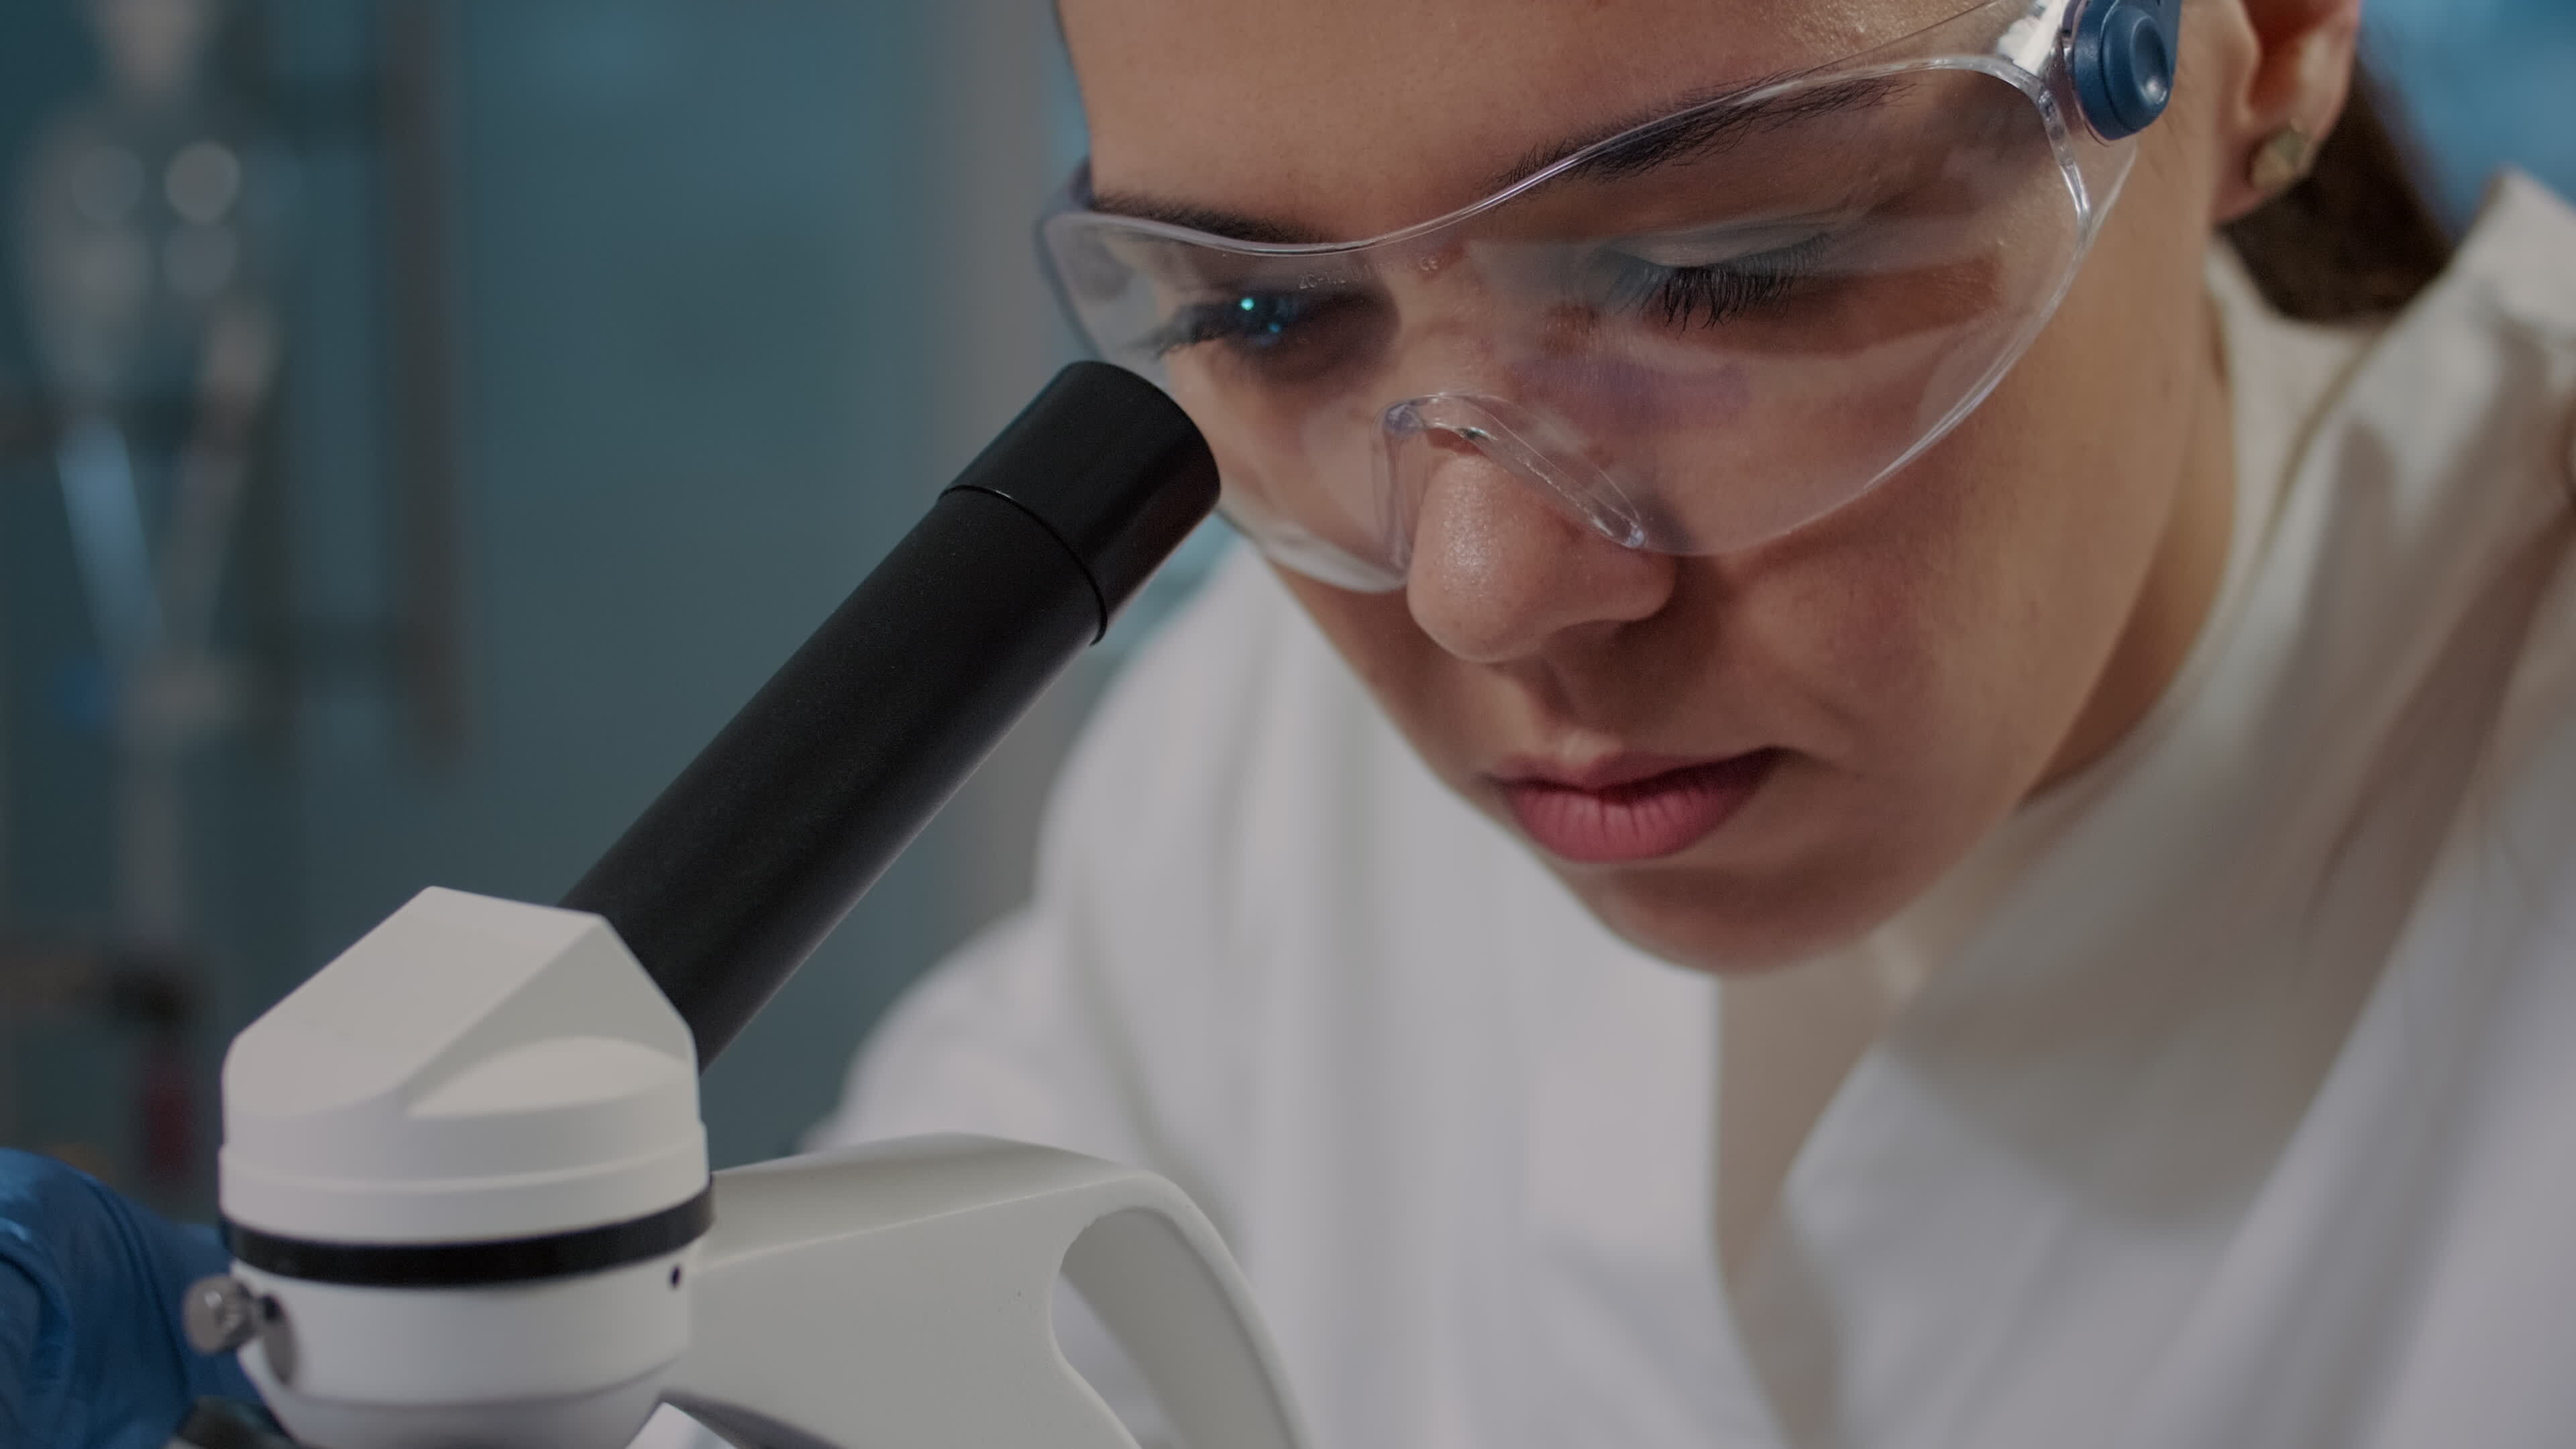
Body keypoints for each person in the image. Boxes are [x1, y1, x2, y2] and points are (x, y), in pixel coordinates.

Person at [11, 0, 2576, 1444]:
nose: (1477, 587)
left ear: (2250, 47)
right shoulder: (1245, 780)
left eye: (1727, 270)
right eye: (1263, 319)